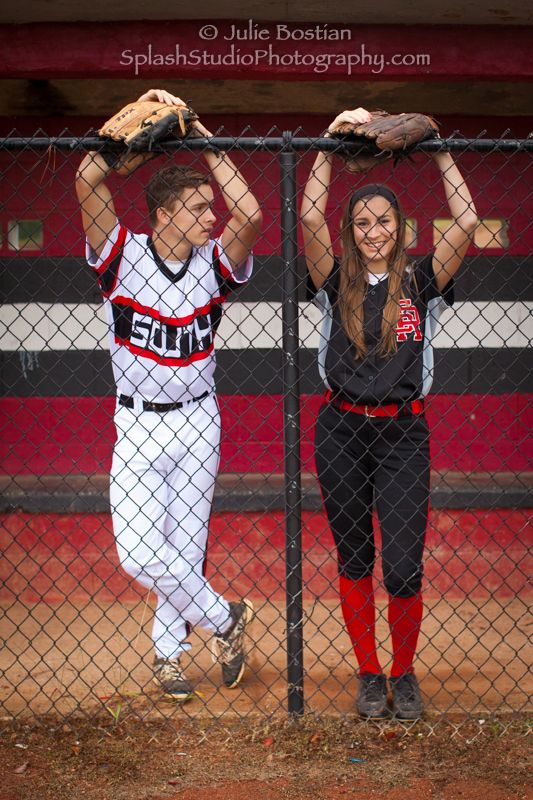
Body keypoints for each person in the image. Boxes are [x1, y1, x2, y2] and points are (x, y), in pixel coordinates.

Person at [76, 88, 262, 702]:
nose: (211, 216)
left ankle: (168, 655)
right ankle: (225, 618)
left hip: (198, 421)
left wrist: (205, 142)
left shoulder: (213, 263)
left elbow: (252, 213)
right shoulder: (122, 254)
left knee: (184, 547)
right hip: (138, 425)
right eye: (196, 208)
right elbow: (86, 183)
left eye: (209, 206)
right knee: (138, 552)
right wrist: (122, 144)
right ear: (163, 214)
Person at [300, 107, 478, 720]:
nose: (373, 231)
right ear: (351, 231)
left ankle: (404, 673)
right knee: (354, 557)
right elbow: (306, 217)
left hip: (404, 434)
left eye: (383, 221)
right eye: (362, 222)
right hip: (341, 430)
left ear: (401, 228)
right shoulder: (333, 278)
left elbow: (469, 221)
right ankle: (369, 674)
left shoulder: (420, 280)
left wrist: (438, 148)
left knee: (402, 565)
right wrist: (326, 146)